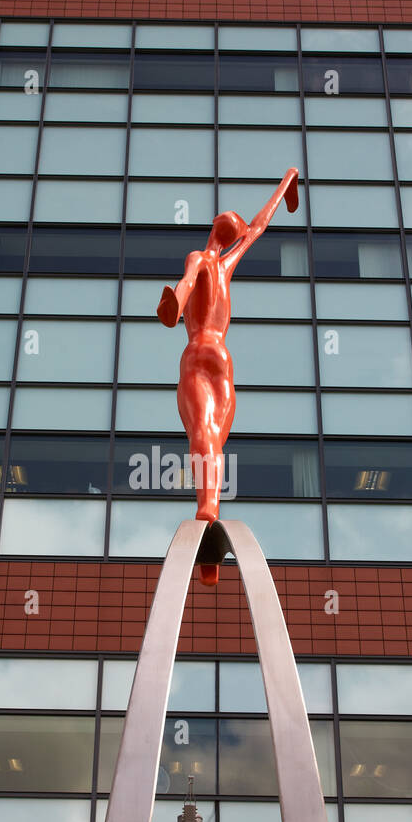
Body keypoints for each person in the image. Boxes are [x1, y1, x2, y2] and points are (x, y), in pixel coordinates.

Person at [157, 168, 299, 585]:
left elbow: (188, 281)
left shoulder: (202, 258)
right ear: (232, 236)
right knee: (214, 440)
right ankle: (210, 536)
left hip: (199, 350)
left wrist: (175, 303)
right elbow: (260, 225)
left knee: (202, 432)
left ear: (213, 231)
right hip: (223, 356)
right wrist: (287, 182)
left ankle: (207, 510)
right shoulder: (227, 264)